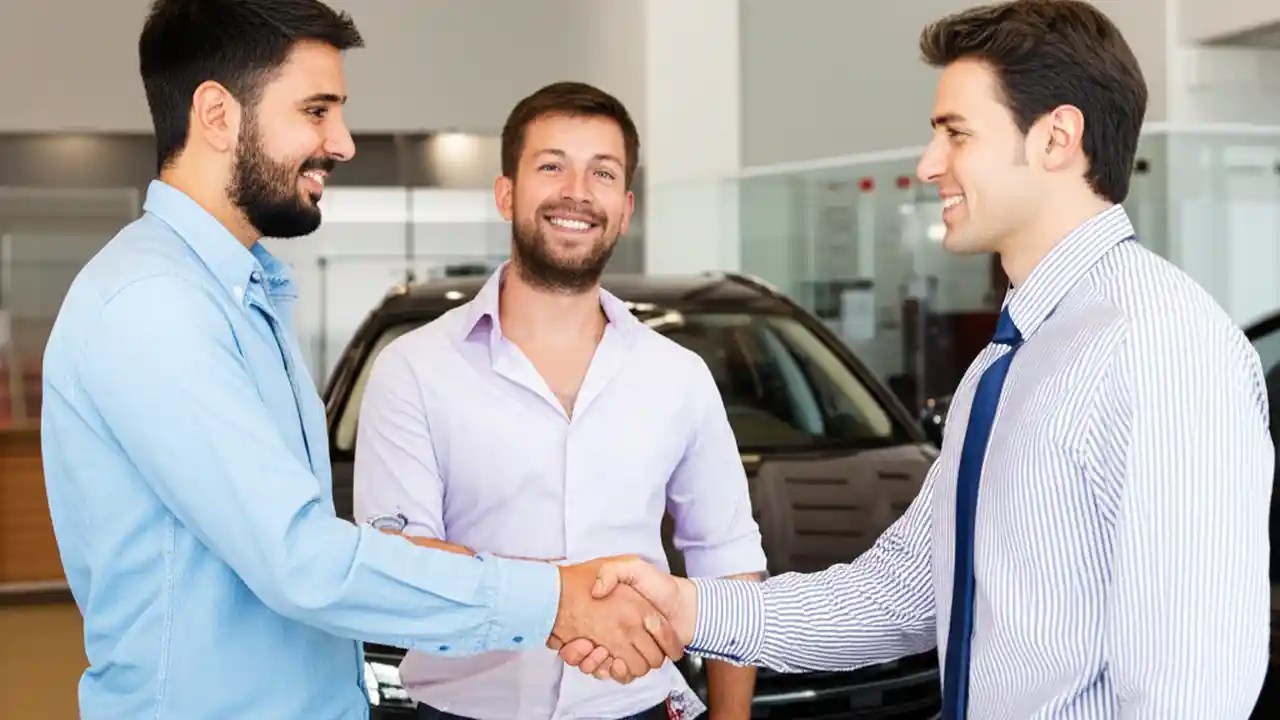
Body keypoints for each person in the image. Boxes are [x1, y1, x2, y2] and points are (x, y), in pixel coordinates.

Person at [558, 1, 1274, 717]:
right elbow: (901, 590)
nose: (930, 165)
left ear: (1057, 137)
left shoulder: (1160, 351)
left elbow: (1191, 696)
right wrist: (687, 610)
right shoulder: (1012, 359)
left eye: (956, 134)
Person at [39, 3, 679, 718]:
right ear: (217, 114)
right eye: (316, 110)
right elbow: (302, 563)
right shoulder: (153, 305)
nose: (340, 142)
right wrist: (556, 598)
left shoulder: (243, 295)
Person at [352, 81, 767, 720]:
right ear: (506, 192)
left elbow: (729, 562)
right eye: (552, 166)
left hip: (639, 707)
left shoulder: (677, 376)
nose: (577, 191)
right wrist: (555, 600)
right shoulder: (413, 371)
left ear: (625, 209)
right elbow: (399, 571)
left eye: (601, 173)